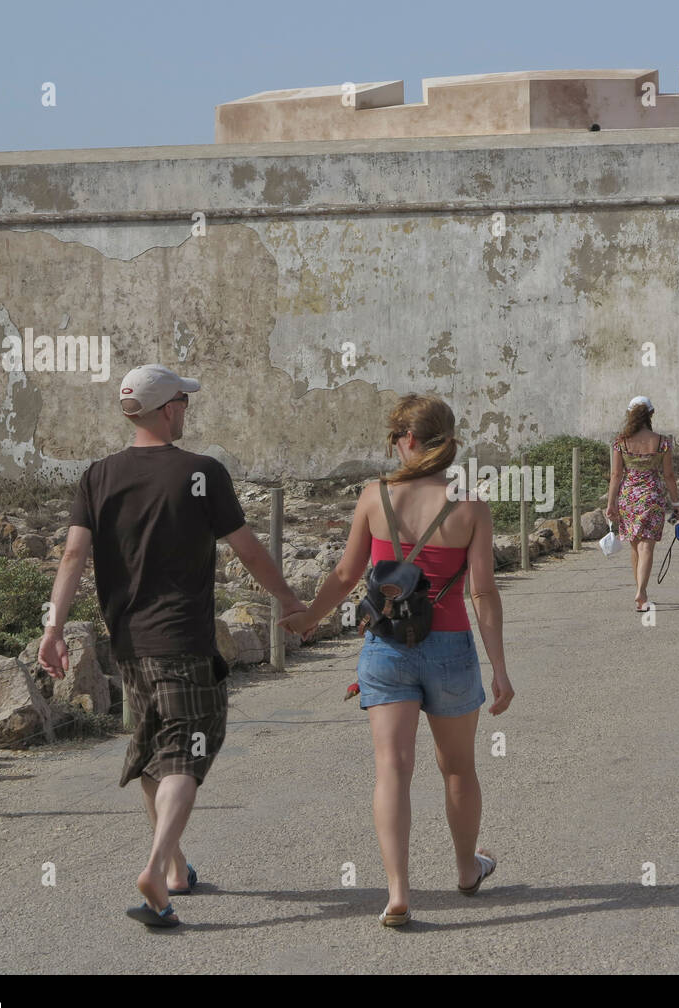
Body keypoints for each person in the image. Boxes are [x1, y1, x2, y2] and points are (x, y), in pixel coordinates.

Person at [39, 364, 308, 929]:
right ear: (166, 410)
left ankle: (178, 869)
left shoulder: (97, 476)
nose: (187, 410)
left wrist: (53, 627)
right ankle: (156, 868)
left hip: (129, 643)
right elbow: (248, 549)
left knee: (149, 748)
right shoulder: (202, 473)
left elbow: (72, 557)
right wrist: (286, 598)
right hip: (184, 639)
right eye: (183, 402)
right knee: (188, 749)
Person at [284, 394, 514, 926]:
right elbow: (483, 592)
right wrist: (499, 668)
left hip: (386, 647)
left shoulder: (373, 496)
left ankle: (397, 891)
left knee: (392, 768)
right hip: (452, 647)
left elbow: (344, 576)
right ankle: (465, 869)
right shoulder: (470, 502)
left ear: (405, 440)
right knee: (457, 768)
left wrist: (310, 617)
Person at [605, 396, 679, 612]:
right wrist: (675, 502)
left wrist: (611, 503)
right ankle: (641, 591)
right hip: (652, 497)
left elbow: (616, 474)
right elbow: (668, 475)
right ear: (651, 414)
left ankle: (641, 591)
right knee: (646, 545)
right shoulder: (662, 442)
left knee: (634, 544)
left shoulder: (620, 442)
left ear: (630, 414)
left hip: (628, 497)